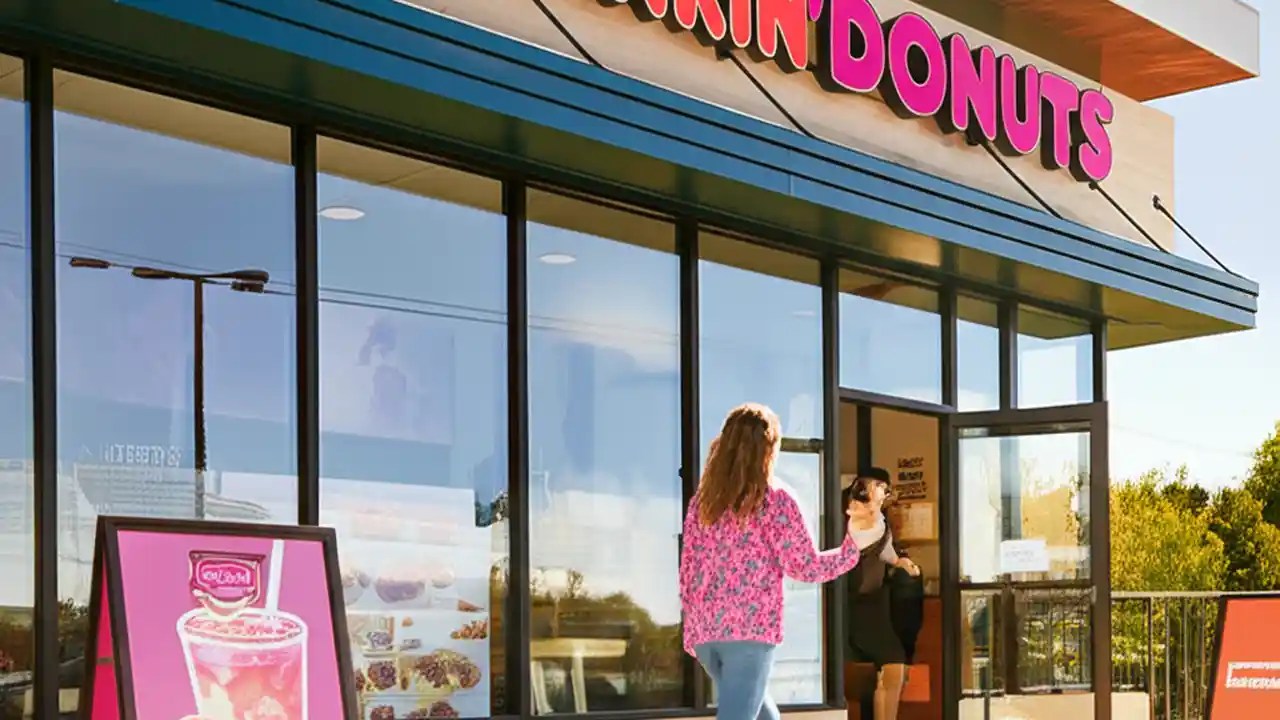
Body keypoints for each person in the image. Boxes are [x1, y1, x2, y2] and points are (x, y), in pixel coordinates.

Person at [680, 403, 886, 720]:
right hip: (748, 635)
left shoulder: (702, 503)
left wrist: (693, 632)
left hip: (707, 634)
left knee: (763, 715)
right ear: (769, 448)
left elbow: (688, 572)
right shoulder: (774, 499)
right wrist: (852, 548)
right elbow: (804, 567)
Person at [843, 468, 921, 720]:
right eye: (881, 487)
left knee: (894, 666)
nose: (885, 493)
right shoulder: (849, 516)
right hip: (852, 606)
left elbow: (887, 553)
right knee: (892, 663)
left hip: (874, 605)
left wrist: (902, 563)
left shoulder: (880, 522)